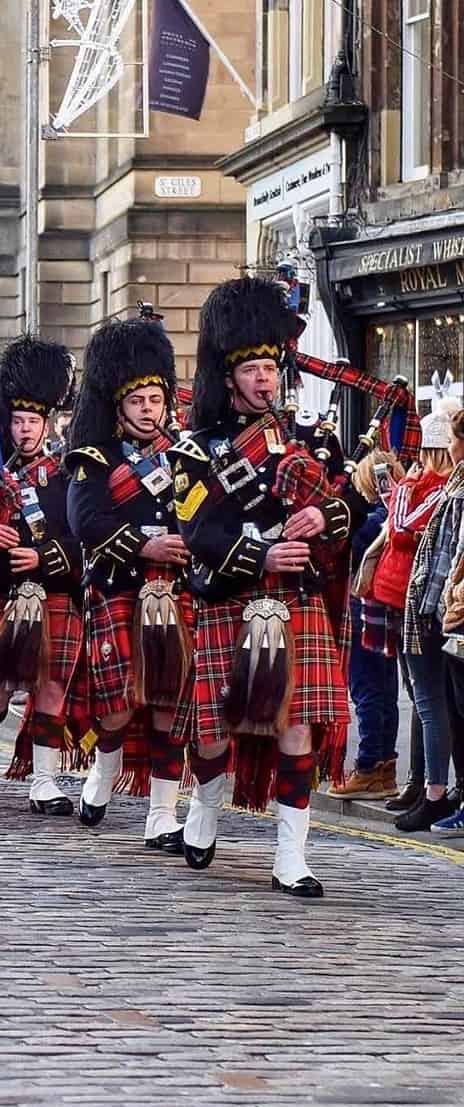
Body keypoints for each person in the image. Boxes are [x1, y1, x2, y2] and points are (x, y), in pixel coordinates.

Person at [168, 275, 355, 897]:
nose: (263, 379)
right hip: (232, 599)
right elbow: (198, 531)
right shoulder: (196, 450)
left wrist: (321, 517)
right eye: (251, 369)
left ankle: (291, 856)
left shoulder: (306, 444)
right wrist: (265, 549)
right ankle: (203, 808)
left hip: (293, 601)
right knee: (216, 726)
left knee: (297, 726)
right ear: (229, 377)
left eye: (270, 368)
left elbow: (344, 509)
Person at [64, 317, 192, 848]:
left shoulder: (186, 455)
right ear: (118, 406)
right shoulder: (95, 459)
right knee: (117, 705)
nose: (147, 408)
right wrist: (145, 545)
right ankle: (105, 764)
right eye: (136, 399)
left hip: (174, 591)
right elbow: (84, 521)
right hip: (119, 587)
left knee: (169, 702)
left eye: (154, 398)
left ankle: (162, 814)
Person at [0, 335, 83, 815]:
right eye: (17, 421)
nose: (25, 429)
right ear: (6, 425)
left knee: (50, 685)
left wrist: (45, 555)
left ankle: (45, 780)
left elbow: (83, 537)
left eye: (33, 421)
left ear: (47, 424)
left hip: (52, 588)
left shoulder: (68, 475)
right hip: (1, 590)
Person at [382, 402, 462, 831]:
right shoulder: (439, 488)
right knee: (426, 700)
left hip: (432, 609)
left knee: (432, 703)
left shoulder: (444, 489)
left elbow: (402, 527)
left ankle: (434, 790)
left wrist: (400, 491)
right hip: (412, 601)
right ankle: (422, 784)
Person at [330, 451, 403, 806]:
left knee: (367, 689)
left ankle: (369, 764)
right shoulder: (396, 513)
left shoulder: (369, 521)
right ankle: (385, 768)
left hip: (366, 607)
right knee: (386, 687)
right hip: (388, 607)